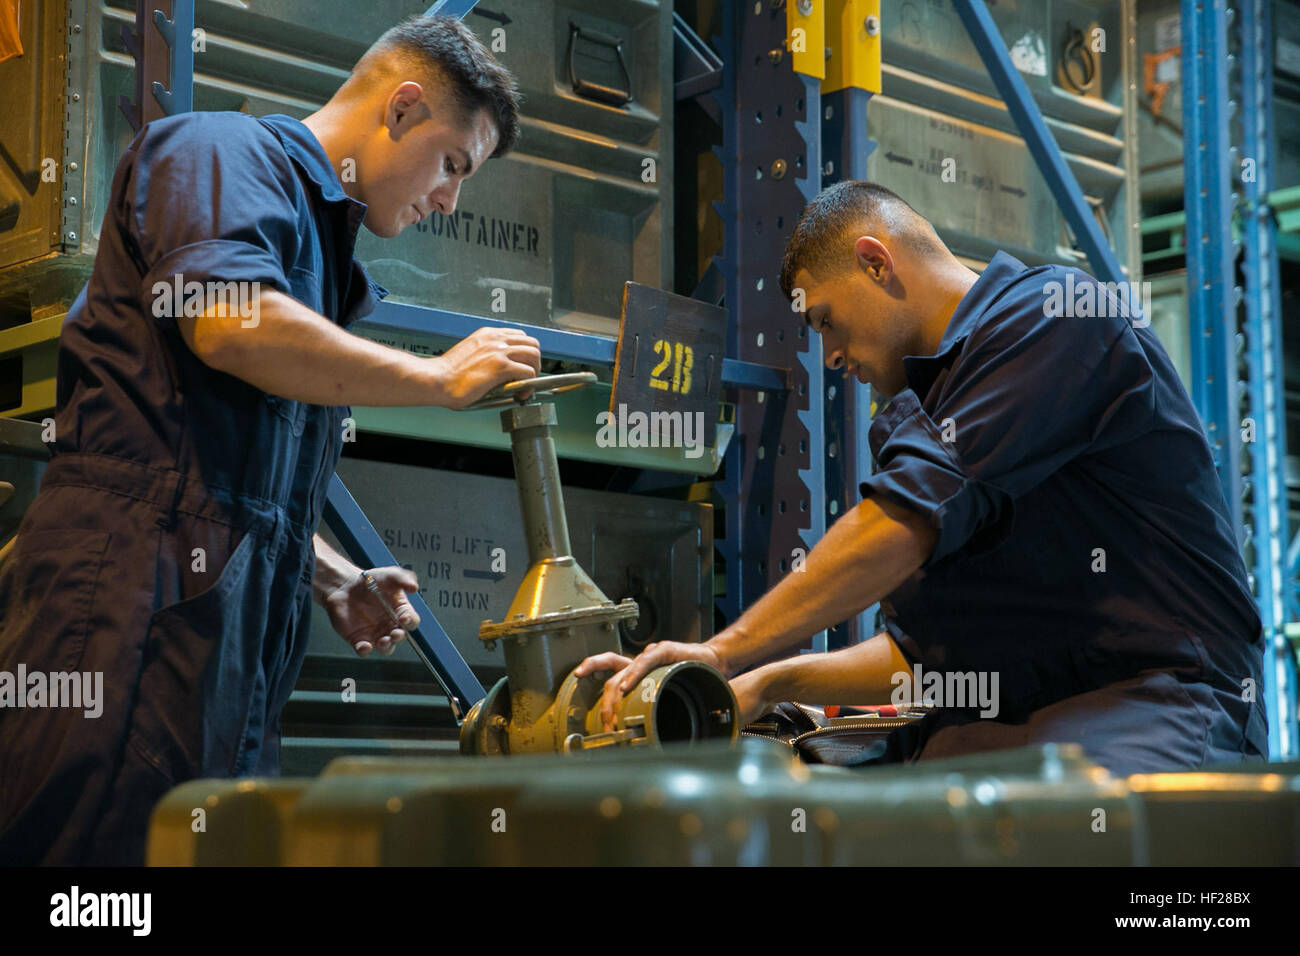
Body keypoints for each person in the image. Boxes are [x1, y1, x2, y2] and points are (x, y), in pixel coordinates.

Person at [0, 15, 541, 865]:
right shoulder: (220, 152)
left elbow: (216, 460)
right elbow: (226, 321)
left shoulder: (317, 251)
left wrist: (328, 572)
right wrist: (437, 381)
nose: (449, 201)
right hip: (122, 613)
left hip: (216, 631)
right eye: (453, 165)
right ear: (401, 109)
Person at [577, 181, 1269, 776]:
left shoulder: (1053, 318)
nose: (833, 354)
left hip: (1156, 696)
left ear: (875, 262)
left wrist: (722, 650)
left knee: (1054, 831)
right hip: (1008, 712)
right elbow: (924, 657)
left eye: (825, 321)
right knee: (805, 794)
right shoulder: (921, 418)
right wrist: (768, 682)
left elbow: (900, 525)